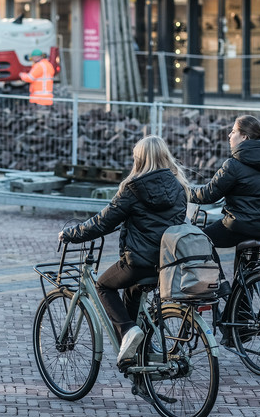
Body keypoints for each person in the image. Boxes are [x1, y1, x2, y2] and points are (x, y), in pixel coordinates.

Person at [60, 135, 188, 364]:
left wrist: (72, 234)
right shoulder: (179, 187)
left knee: (103, 285)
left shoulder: (133, 188)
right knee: (132, 292)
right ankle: (138, 354)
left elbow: (102, 222)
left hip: (137, 262)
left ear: (139, 159)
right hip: (166, 262)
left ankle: (129, 331)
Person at [189, 115, 260, 278]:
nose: (229, 136)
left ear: (244, 137)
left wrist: (184, 192)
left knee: (202, 241)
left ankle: (221, 284)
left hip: (238, 227)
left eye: (233, 132)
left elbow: (209, 194)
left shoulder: (234, 165)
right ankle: (241, 300)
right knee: (245, 278)